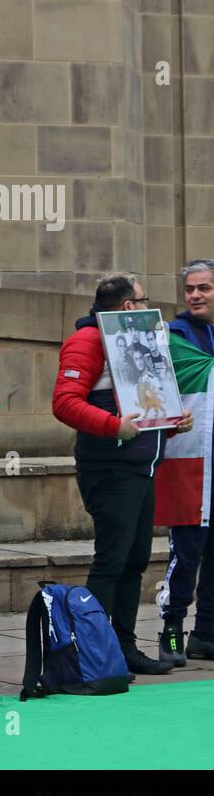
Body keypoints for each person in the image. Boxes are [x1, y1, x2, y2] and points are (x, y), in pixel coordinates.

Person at [52, 273, 192, 676]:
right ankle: (92, 654)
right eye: (144, 299)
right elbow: (63, 403)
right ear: (128, 306)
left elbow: (146, 400)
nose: (150, 306)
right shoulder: (88, 340)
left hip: (142, 466)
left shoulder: (140, 339)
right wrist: (114, 426)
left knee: (134, 561)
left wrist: (171, 420)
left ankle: (123, 646)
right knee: (112, 562)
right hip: (111, 469)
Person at [159, 260, 214, 664]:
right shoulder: (173, 337)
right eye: (191, 289)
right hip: (188, 460)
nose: (195, 295)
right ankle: (171, 633)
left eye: (205, 288)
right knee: (186, 555)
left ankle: (207, 633)